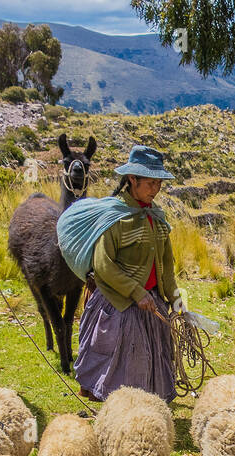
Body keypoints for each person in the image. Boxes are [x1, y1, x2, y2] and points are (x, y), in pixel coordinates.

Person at [73, 145, 180, 402]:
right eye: (149, 183)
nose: (154, 189)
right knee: (125, 362)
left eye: (158, 184)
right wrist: (135, 292)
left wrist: (175, 298)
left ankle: (147, 409)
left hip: (151, 304)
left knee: (152, 359)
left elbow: (166, 265)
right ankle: (121, 411)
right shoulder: (115, 218)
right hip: (120, 303)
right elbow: (103, 264)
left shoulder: (157, 218)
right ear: (132, 180)